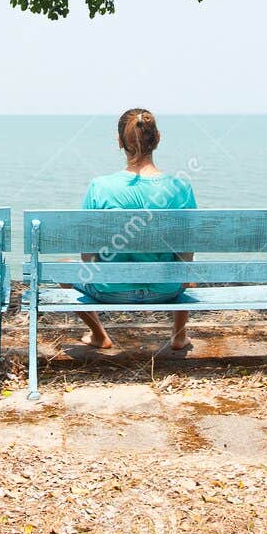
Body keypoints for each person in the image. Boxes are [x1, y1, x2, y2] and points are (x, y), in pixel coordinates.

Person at [73, 108, 197, 353]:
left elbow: (86, 257)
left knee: (62, 269)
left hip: (110, 292)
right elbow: (187, 256)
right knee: (185, 270)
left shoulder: (100, 187)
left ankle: (99, 335)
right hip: (166, 291)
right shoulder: (180, 187)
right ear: (158, 138)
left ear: (120, 142)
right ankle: (179, 337)